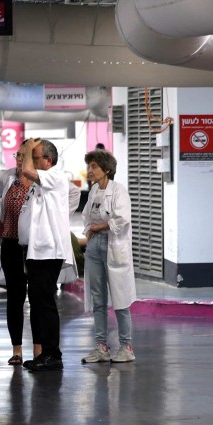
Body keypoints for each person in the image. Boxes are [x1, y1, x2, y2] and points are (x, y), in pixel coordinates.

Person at [17, 138, 75, 371]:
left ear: (48, 160)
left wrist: (28, 149)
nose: (28, 160)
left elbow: (27, 170)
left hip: (49, 251)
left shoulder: (56, 176)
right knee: (39, 303)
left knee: (46, 302)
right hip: (37, 250)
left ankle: (53, 354)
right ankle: (45, 353)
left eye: (35, 156)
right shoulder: (40, 183)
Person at [79, 150, 136, 364]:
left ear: (107, 169)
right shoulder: (94, 191)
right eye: (89, 166)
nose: (90, 171)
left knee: (120, 297)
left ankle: (126, 346)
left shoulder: (119, 191)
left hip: (113, 245)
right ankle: (101, 347)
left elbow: (122, 219)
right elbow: (86, 216)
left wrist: (99, 226)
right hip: (95, 245)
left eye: (94, 166)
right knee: (98, 297)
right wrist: (89, 230)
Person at [0, 147, 34, 366]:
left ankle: (40, 349)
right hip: (11, 245)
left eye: (25, 156)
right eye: (18, 155)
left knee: (37, 298)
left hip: (35, 247)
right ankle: (17, 349)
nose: (20, 160)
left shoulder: (41, 181)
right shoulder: (5, 177)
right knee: (15, 298)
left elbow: (70, 197)